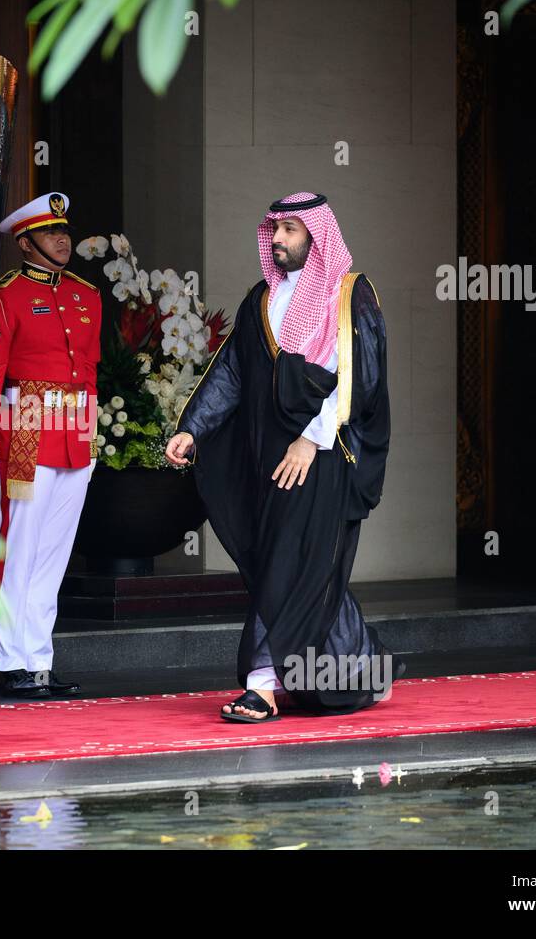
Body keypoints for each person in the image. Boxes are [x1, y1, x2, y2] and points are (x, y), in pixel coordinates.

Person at [165, 191, 403, 723]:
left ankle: (261, 685)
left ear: (316, 235)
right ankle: (362, 670)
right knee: (303, 568)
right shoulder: (261, 301)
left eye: (290, 230)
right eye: (274, 229)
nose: (278, 240)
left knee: (287, 565)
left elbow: (359, 380)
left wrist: (310, 439)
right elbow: (231, 373)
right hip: (269, 463)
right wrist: (194, 430)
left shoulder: (350, 295)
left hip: (324, 456)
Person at [0, 192, 102, 699]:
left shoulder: (87, 296)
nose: (63, 240)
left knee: (53, 556)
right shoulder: (3, 298)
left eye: (65, 231)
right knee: (17, 552)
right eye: (50, 233)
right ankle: (9, 662)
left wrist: (89, 437)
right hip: (23, 429)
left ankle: (38, 661)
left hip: (74, 434)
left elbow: (88, 375)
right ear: (25, 243)